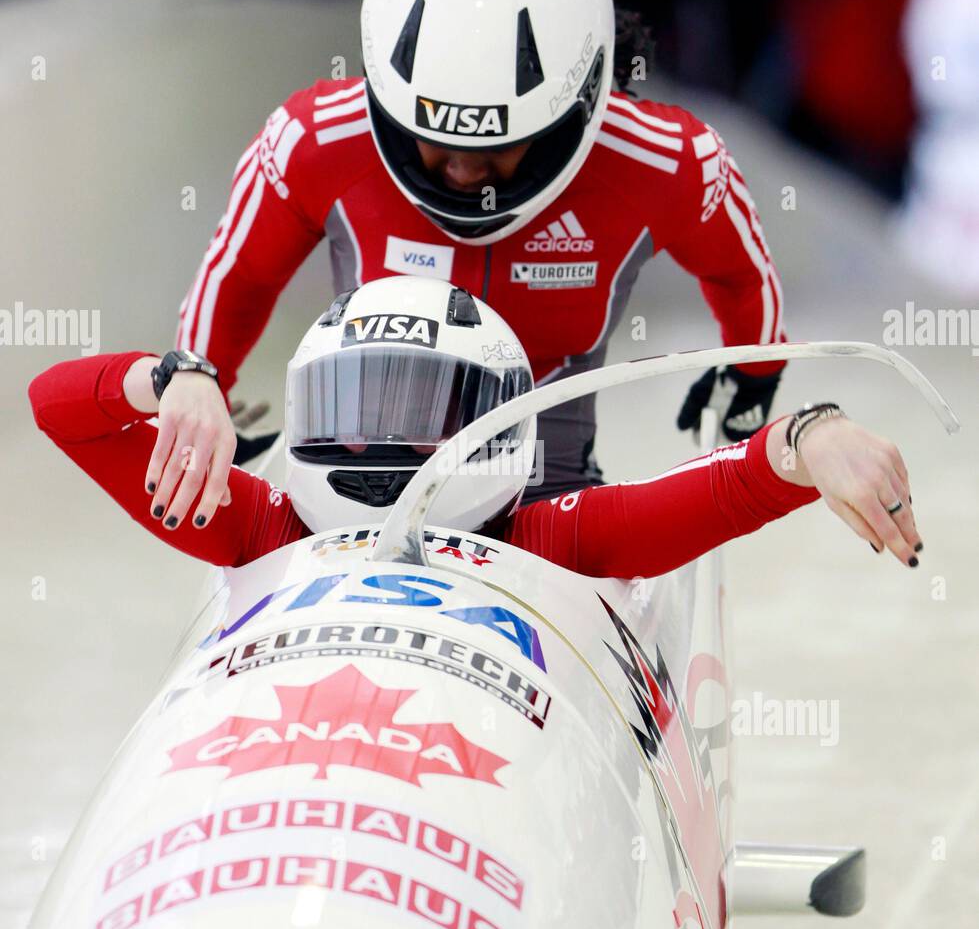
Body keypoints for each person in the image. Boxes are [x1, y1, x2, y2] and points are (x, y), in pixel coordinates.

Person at [164, 0, 790, 521]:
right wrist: (199, 377)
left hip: (549, 508)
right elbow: (241, 275)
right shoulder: (314, 141)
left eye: (498, 147)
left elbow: (738, 273)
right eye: (431, 139)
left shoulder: (665, 163)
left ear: (575, 105)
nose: (463, 169)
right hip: (357, 504)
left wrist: (754, 375)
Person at [30, 278, 923, 577]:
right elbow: (55, 404)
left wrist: (810, 432)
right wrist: (173, 378)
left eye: (428, 417)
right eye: (358, 413)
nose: (385, 446)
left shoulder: (549, 535)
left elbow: (733, 479)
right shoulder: (254, 523)